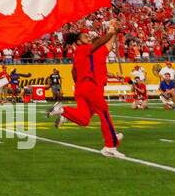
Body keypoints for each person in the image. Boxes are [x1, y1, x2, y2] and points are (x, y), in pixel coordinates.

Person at [49, 20, 125, 157]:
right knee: (104, 112)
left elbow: (73, 72)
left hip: (81, 88)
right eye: (86, 37)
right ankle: (110, 145)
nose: (88, 38)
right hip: (92, 87)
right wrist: (113, 30)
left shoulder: (80, 53)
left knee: (85, 119)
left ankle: (64, 111)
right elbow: (106, 43)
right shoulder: (92, 50)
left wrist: (113, 31)